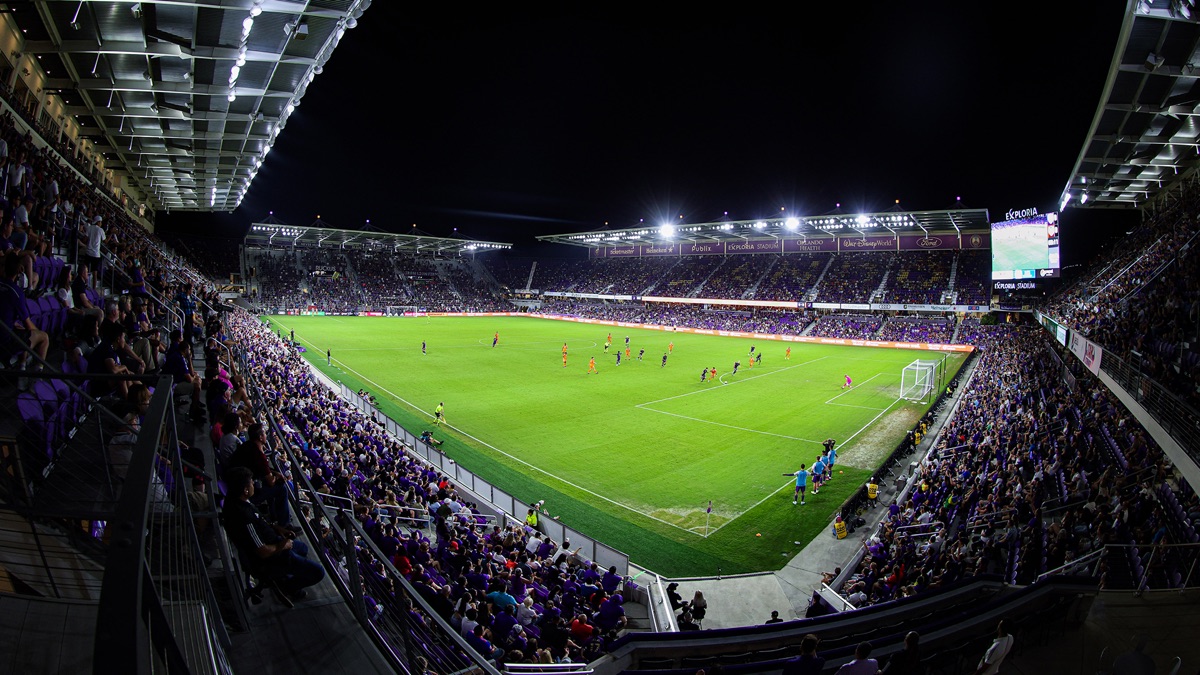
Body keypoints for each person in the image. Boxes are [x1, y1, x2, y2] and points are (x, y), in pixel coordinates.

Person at [222, 466, 324, 601]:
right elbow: (262, 551)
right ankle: (287, 586)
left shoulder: (237, 501)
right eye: (251, 482)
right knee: (319, 572)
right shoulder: (245, 517)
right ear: (245, 490)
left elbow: (261, 524)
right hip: (271, 557)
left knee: (303, 548)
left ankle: (284, 575)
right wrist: (283, 545)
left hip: (274, 541)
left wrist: (277, 528)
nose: (254, 484)